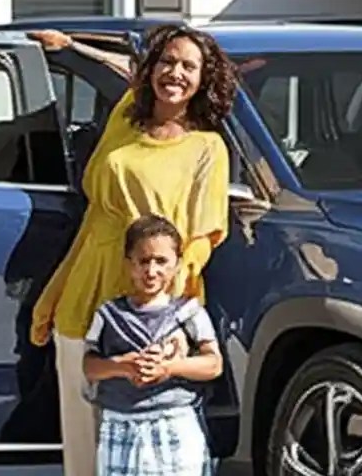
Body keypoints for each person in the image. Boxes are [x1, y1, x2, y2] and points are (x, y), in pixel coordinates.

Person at [27, 24, 237, 476]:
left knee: (152, 450)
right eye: (167, 61)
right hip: (87, 289)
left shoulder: (208, 148)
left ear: (204, 79)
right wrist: (54, 294)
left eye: (189, 66)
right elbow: (93, 218)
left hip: (152, 302)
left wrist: (172, 315)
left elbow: (202, 239)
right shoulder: (125, 116)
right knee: (85, 448)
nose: (175, 73)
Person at [84, 213, 223, 476]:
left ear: (177, 264)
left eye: (161, 261)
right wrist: (121, 366)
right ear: (129, 264)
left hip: (174, 422)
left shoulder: (189, 314)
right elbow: (90, 366)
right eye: (143, 261)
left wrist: (169, 368)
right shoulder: (109, 315)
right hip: (121, 424)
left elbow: (213, 364)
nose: (151, 271)